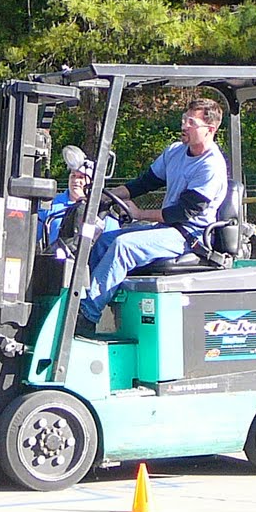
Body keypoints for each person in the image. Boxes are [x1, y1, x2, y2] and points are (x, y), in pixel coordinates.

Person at [77, 97, 227, 337]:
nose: (184, 126)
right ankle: (99, 309)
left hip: (189, 237)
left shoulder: (211, 166)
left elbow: (183, 213)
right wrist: (105, 196)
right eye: (184, 120)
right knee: (103, 241)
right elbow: (145, 183)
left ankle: (85, 317)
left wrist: (139, 214)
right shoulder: (176, 152)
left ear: (210, 129)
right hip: (166, 229)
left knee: (123, 246)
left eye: (191, 122)